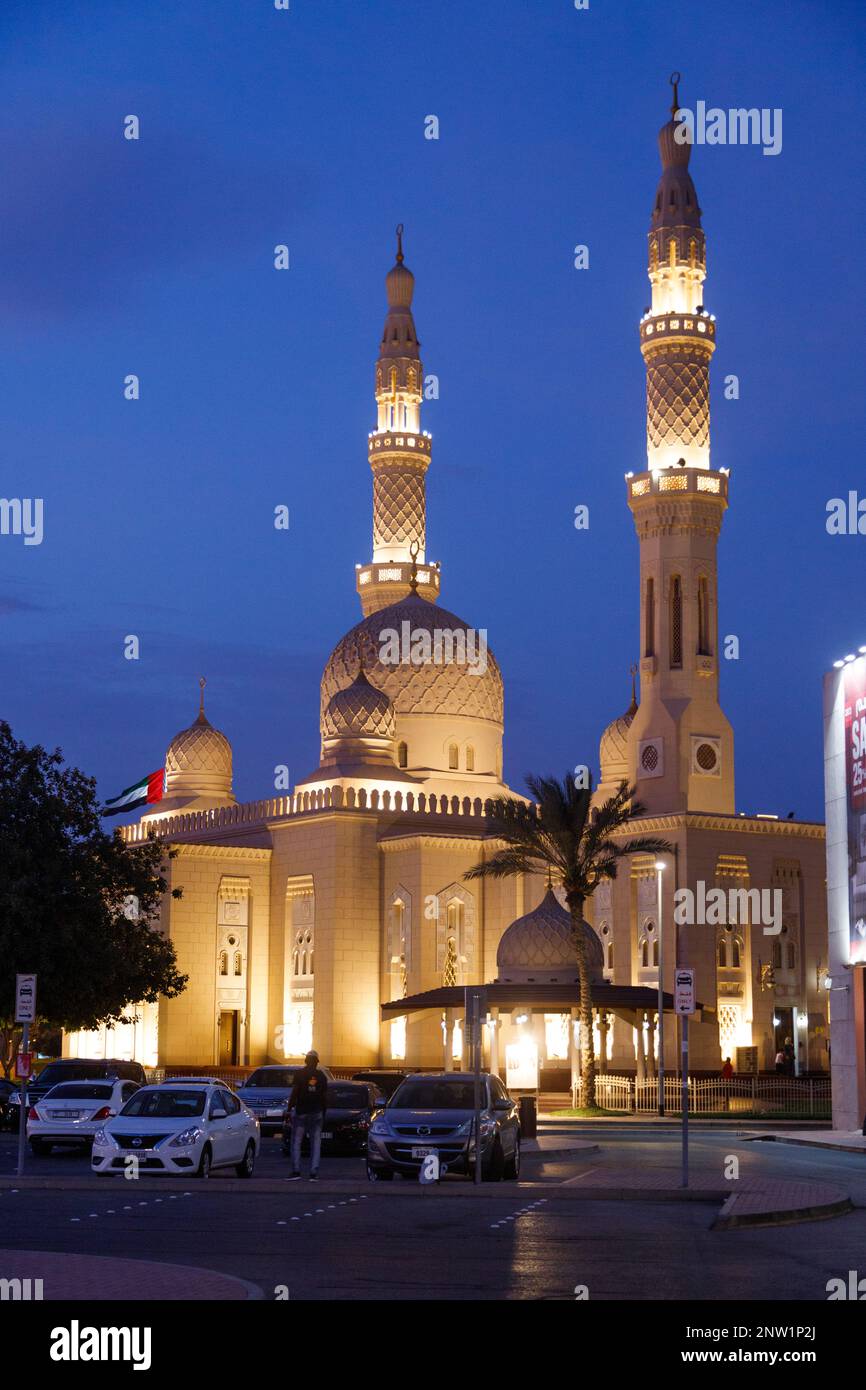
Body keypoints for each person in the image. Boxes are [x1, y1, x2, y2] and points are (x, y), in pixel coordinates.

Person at [286, 1050, 328, 1181]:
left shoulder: (299, 1074)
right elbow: (324, 1097)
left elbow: (295, 1092)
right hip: (317, 1112)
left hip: (301, 1112)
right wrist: (324, 1112)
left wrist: (289, 1108)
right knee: (315, 1143)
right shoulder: (321, 1076)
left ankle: (296, 1171)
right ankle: (314, 1172)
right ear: (317, 1062)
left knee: (296, 1142)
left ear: (306, 1061)